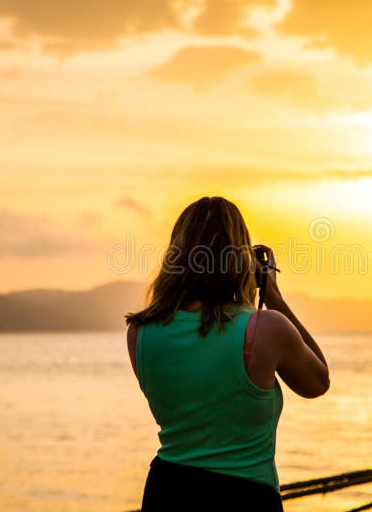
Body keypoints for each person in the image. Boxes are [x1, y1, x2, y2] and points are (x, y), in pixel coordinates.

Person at [126, 196, 330, 511]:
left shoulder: (140, 333)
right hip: (243, 498)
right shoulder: (265, 330)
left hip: (167, 491)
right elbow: (317, 382)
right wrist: (272, 294)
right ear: (241, 258)